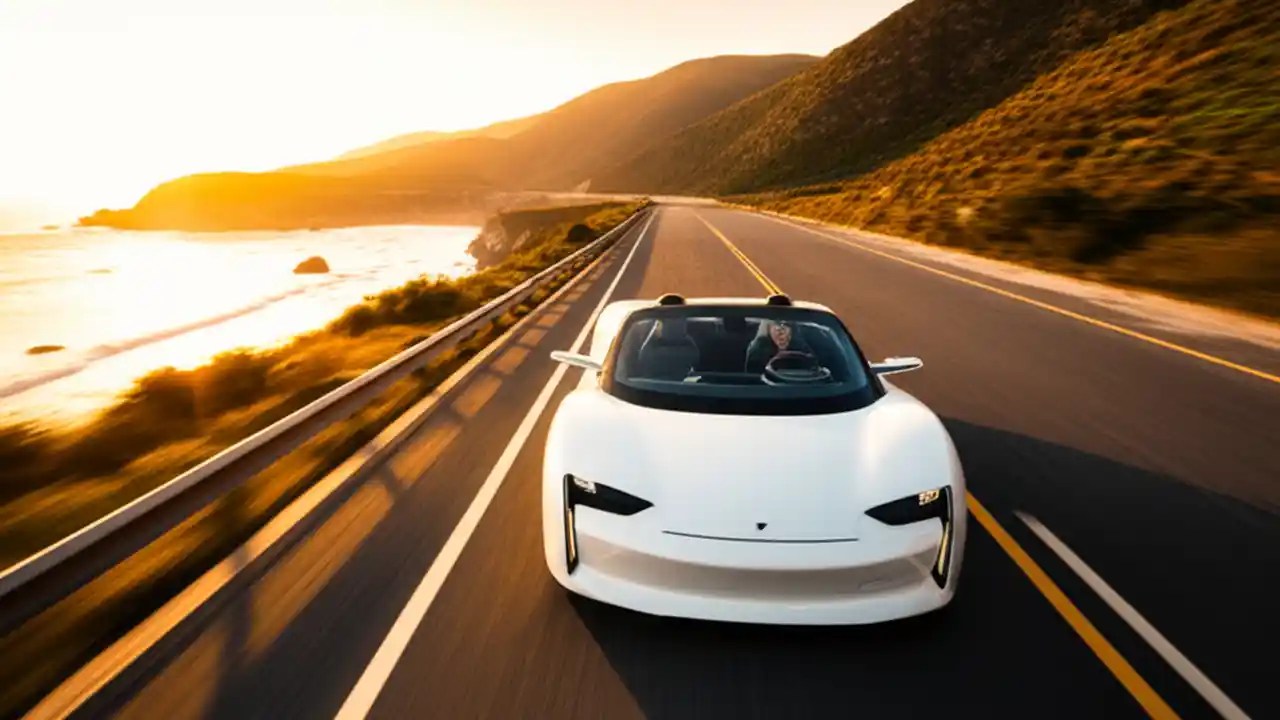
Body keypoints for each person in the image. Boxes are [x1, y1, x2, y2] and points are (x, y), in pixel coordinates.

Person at [745, 319, 812, 373]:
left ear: (792, 329)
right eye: (776, 326)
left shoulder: (802, 350)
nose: (781, 332)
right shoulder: (757, 352)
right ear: (768, 329)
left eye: (785, 325)